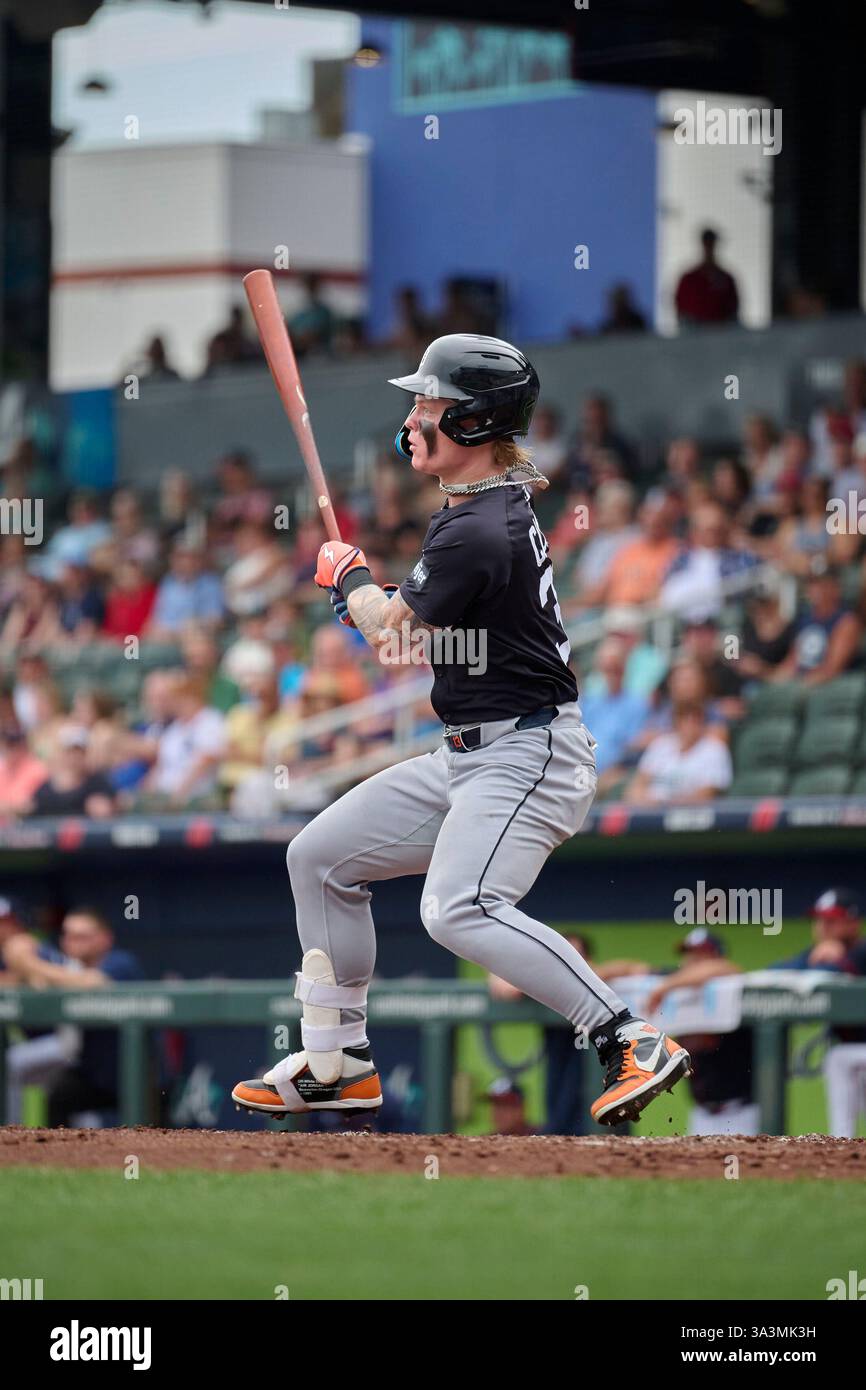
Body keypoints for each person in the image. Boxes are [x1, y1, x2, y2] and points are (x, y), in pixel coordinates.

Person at [233, 332, 691, 1127]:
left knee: (457, 908)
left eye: (429, 405)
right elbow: (419, 637)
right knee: (318, 858)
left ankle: (628, 1035)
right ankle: (337, 1059)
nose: (412, 419)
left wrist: (347, 582)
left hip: (529, 754)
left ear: (475, 423)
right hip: (473, 752)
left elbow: (392, 639)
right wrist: (359, 588)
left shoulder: (479, 527)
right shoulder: (476, 514)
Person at [2, 906, 144, 1126]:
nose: (72, 941)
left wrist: (29, 963)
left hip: (133, 1075)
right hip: (90, 1072)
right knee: (59, 1098)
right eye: (68, 935)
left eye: (82, 936)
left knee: (154, 1138)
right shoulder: (66, 966)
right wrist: (23, 958)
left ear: (105, 939)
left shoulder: (121, 962)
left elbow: (93, 982)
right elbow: (31, 977)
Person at [770, 888, 866, 1139]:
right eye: (820, 920)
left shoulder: (861, 951)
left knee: (839, 1058)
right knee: (838, 1058)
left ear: (853, 922)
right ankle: (841, 1147)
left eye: (832, 920)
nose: (823, 926)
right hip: (851, 1052)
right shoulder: (820, 952)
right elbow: (777, 971)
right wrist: (818, 960)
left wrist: (829, 960)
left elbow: (842, 968)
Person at [644, 929, 757, 1136]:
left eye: (700, 954)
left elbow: (728, 969)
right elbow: (630, 968)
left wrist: (665, 987)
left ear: (716, 956)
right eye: (689, 954)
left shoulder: (730, 988)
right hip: (702, 1114)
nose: (692, 960)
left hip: (742, 1111)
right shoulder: (679, 987)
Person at [769, 558, 861, 687]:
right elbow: (790, 664)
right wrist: (767, 680)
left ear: (836, 587)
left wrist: (797, 685)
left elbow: (831, 669)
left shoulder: (846, 621)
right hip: (799, 686)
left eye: (822, 584)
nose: (816, 590)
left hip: (825, 690)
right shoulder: (805, 619)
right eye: (812, 584)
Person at [626, 701, 733, 805]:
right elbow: (638, 783)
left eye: (695, 720)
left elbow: (707, 794)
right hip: (652, 812)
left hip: (690, 815)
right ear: (676, 723)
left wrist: (667, 805)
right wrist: (644, 802)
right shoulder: (661, 744)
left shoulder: (714, 749)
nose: (689, 726)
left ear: (703, 723)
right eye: (684, 720)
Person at [674, 227, 739, 327]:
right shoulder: (689, 279)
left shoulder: (726, 279)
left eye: (711, 244)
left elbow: (733, 309)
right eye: (707, 243)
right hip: (696, 335)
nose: (709, 248)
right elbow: (681, 309)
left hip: (720, 333)